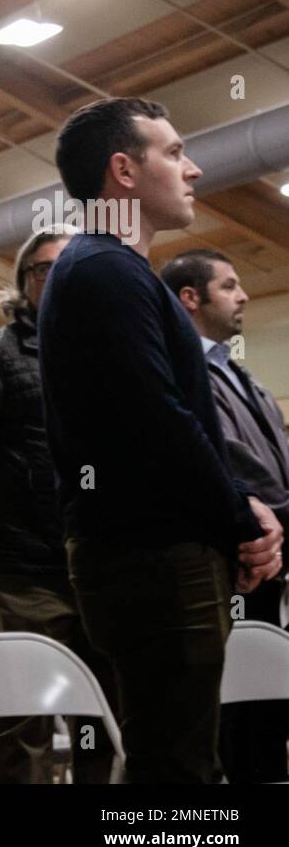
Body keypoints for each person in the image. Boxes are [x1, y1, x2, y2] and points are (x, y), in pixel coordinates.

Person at [39, 97, 283, 783]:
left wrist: (234, 516)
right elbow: (160, 424)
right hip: (151, 557)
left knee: (179, 757)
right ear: (123, 170)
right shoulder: (102, 269)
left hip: (154, 551)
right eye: (173, 153)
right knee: (178, 766)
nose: (194, 169)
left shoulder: (111, 269)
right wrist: (240, 518)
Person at [0, 227, 113, 784]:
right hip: (28, 573)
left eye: (71, 267)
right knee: (25, 727)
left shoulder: (108, 356)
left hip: (104, 565)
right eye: (44, 269)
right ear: (24, 283)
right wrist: (2, 521)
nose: (59, 278)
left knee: (101, 723)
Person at [161, 249, 289, 783]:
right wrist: (277, 520)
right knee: (237, 723)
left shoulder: (236, 370)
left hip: (270, 551)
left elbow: (278, 451)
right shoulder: (179, 370)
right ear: (190, 298)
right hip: (236, 553)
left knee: (266, 717)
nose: (243, 295)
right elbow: (230, 462)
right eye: (229, 285)